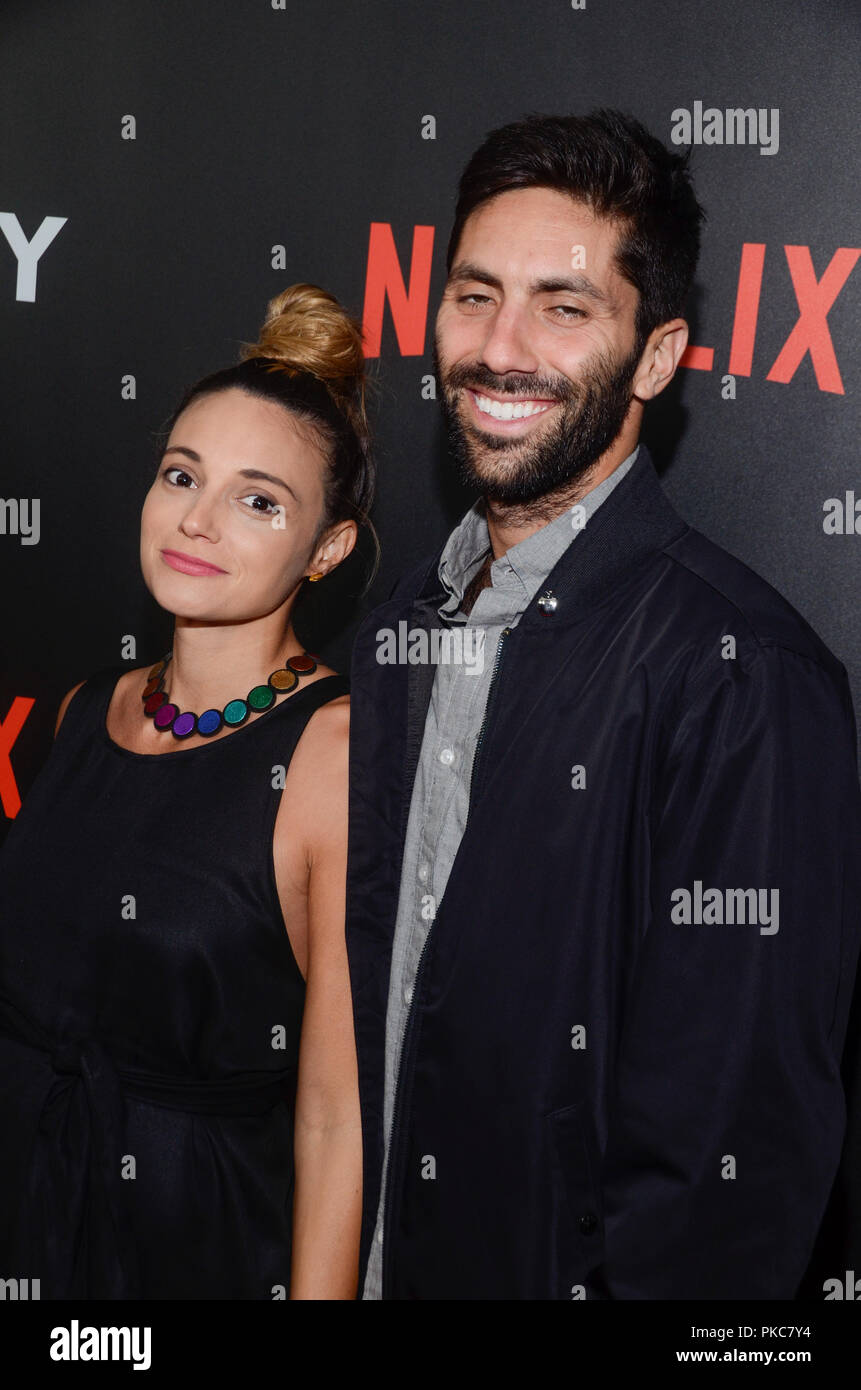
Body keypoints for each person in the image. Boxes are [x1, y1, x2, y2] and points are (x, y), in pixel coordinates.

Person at [344, 110, 861, 1299]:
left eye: (564, 308)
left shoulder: (744, 677)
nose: (499, 346)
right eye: (474, 296)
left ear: (657, 353)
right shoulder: (393, 641)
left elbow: (731, 1175)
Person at [0, 283, 372, 1298]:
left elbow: (337, 1118)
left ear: (329, 547)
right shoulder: (83, 710)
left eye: (259, 500)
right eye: (181, 475)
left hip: (194, 1246)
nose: (197, 521)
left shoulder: (331, 753)